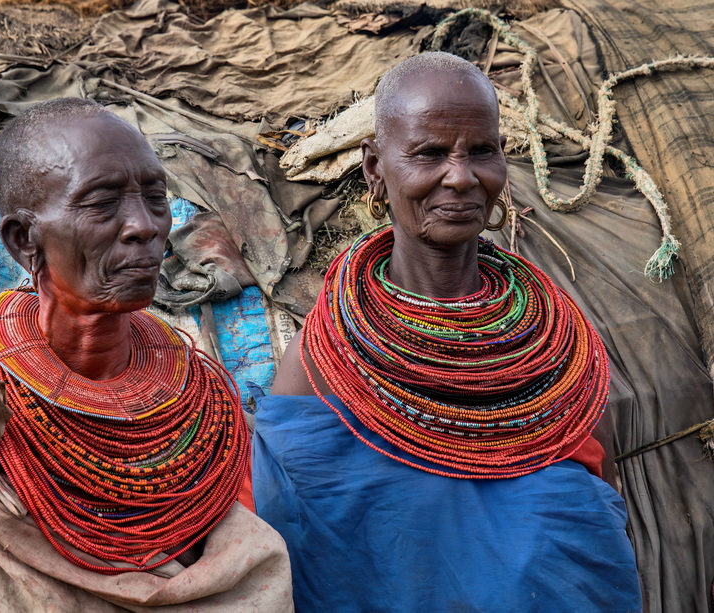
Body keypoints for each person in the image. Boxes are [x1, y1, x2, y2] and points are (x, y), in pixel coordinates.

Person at [253, 52, 642, 612]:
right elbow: (299, 511)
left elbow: (590, 502)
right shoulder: (329, 351)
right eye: (429, 154)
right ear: (373, 168)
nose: (460, 177)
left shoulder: (560, 347)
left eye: (481, 151)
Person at [0, 98, 292, 612]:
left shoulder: (205, 408)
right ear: (25, 238)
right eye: (101, 202)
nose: (145, 226)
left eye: (155, 197)